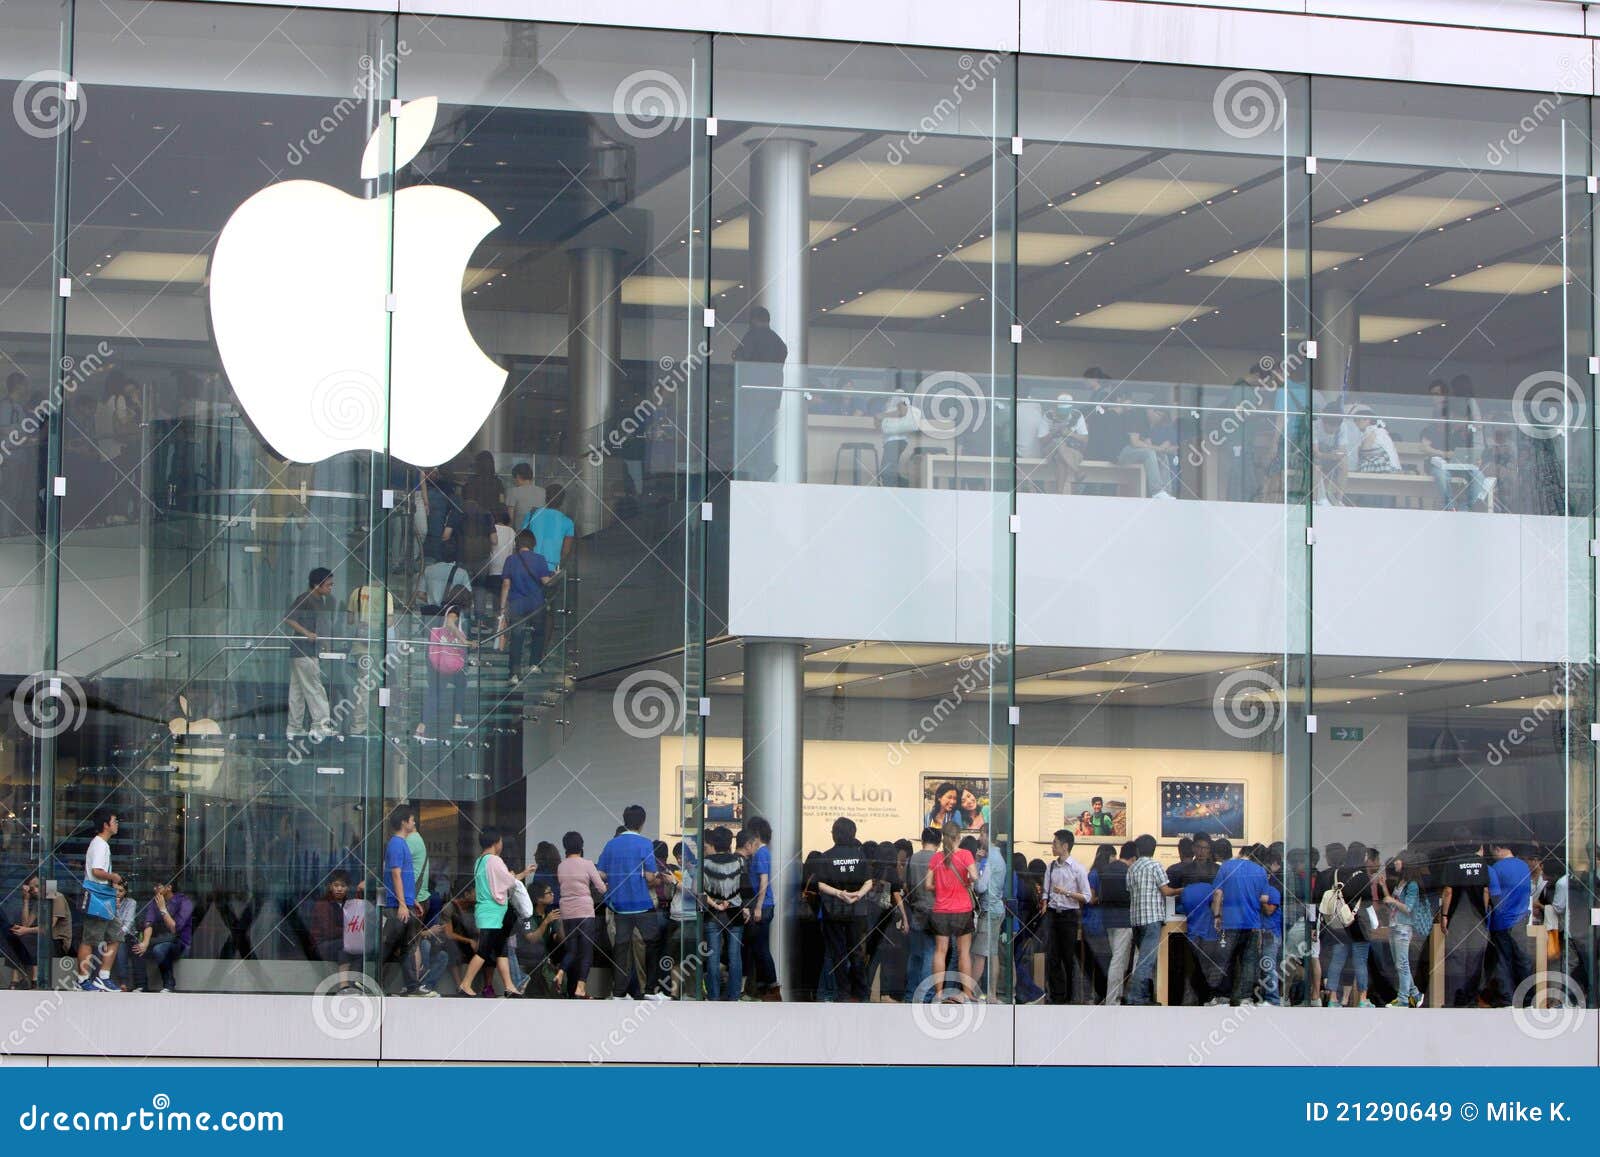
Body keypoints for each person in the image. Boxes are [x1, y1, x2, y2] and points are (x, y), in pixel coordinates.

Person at [596, 805, 665, 1001]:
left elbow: (600, 873)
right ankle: (651, 990)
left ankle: (619, 992)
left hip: (619, 905)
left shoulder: (611, 844)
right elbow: (651, 877)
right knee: (652, 943)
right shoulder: (645, 844)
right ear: (642, 822)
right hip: (642, 903)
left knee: (621, 947)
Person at [458, 828, 533, 997]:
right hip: (493, 913)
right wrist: (519, 874)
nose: (501, 844)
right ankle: (465, 984)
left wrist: (518, 874)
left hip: (486, 911)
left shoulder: (480, 861)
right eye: (500, 841)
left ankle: (509, 986)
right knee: (484, 950)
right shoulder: (495, 860)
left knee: (501, 950)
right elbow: (509, 881)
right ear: (496, 842)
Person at [815, 817, 874, 1002]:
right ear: (853, 833)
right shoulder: (860, 856)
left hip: (833, 911)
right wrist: (858, 895)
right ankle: (862, 993)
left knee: (837, 954)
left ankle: (843, 993)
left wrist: (839, 893)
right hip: (856, 911)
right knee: (856, 951)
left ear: (834, 834)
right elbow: (869, 882)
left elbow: (820, 884)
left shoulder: (826, 856)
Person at [379, 806, 437, 997]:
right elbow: (396, 874)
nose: (414, 822)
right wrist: (403, 903)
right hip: (398, 906)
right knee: (391, 946)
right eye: (412, 819)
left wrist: (411, 901)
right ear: (404, 822)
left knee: (407, 946)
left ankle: (412, 986)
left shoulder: (402, 843)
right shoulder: (396, 844)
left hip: (406, 904)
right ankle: (373, 983)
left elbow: (403, 876)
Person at [1210, 837, 1270, 1005]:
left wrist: (1217, 915)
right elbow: (1264, 898)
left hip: (1229, 923)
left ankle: (1224, 996)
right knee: (1248, 961)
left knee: (1226, 959)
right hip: (1252, 923)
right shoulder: (1260, 871)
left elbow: (1217, 894)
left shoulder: (1227, 867)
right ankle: (1244, 996)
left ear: (1241, 853)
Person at [733, 305, 789, 480]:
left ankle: (748, 468)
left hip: (753, 393)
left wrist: (736, 356)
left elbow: (744, 359)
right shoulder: (779, 342)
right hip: (772, 396)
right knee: (765, 434)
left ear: (753, 320)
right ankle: (765, 466)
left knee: (746, 433)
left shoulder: (752, 336)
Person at [924, 821, 977, 1002]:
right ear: (959, 837)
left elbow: (927, 885)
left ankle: (939, 993)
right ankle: (967, 993)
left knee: (940, 951)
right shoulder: (966, 855)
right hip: (962, 910)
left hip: (941, 910)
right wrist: (967, 881)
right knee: (964, 952)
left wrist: (940, 887)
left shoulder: (936, 858)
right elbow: (975, 876)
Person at [283, 567, 336, 739]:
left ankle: (294, 726)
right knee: (315, 688)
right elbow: (289, 618)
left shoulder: (319, 600)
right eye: (328, 585)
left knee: (297, 691)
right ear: (316, 585)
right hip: (304, 650)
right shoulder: (305, 598)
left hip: (305, 651)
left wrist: (324, 643)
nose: (330, 588)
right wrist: (307, 634)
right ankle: (320, 724)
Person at [1439, 833, 1491, 1008]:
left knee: (1456, 957)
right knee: (1475, 958)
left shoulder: (1452, 862)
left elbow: (1448, 891)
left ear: (1454, 842)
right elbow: (1485, 891)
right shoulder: (1481, 863)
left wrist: (1444, 915)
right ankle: (1471, 998)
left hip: (1458, 917)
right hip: (1477, 916)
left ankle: (1455, 998)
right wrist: (1483, 913)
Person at [1041, 828, 1091, 1004]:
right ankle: (1057, 995)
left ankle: (1070, 995)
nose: (1052, 846)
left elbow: (1086, 896)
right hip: (1053, 915)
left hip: (1069, 916)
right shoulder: (1051, 866)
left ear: (1065, 846)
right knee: (1053, 956)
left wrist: (1067, 893)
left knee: (1068, 957)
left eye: (1055, 843)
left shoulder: (1078, 868)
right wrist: (1045, 903)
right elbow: (1045, 893)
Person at [500, 529, 556, 684]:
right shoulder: (539, 559)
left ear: (518, 543)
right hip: (536, 603)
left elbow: (506, 585)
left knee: (517, 638)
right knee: (538, 633)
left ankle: (514, 674)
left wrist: (502, 607)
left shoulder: (510, 560)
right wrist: (555, 577)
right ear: (533, 543)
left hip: (516, 603)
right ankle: (534, 664)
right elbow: (546, 582)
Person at [1321, 844, 1374, 1007]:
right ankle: (1363, 999)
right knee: (1360, 962)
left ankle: (1332, 999)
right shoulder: (1362, 876)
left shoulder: (1336, 873)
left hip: (1338, 924)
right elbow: (1368, 901)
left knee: (1337, 960)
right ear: (1362, 856)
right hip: (1357, 925)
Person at [76, 809, 122, 991]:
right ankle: (82, 979)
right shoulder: (100, 845)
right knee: (89, 939)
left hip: (105, 896)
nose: (117, 824)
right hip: (98, 897)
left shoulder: (102, 844)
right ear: (105, 825)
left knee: (115, 936)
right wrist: (114, 877)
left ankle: (103, 976)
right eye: (114, 820)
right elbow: (96, 871)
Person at [699, 826, 746, 1001]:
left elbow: (700, 893)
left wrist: (716, 904)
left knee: (713, 956)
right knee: (735, 957)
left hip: (713, 913)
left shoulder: (704, 863)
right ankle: (734, 997)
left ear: (713, 843)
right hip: (734, 913)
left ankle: (713, 996)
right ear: (729, 842)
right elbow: (744, 888)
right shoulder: (739, 862)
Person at [1126, 834, 1172, 1005]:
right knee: (1146, 960)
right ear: (1154, 849)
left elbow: (1129, 891)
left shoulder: (1132, 868)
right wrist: (1183, 890)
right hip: (1152, 919)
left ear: (1137, 849)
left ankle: (1144, 996)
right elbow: (1166, 891)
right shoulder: (1155, 865)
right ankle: (1135, 997)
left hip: (1136, 920)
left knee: (1143, 959)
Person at [1486, 839, 1533, 1007]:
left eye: (1491, 850)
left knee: (1502, 960)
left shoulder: (1495, 869)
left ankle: (1507, 999)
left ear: (1497, 848)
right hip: (1521, 919)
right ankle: (1528, 999)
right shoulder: (1524, 866)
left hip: (1500, 921)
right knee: (1522, 959)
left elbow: (1493, 896)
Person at [2, 874, 70, 987]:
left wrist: (25, 930)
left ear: (45, 884)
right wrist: (26, 900)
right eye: (32, 888)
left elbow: (48, 928)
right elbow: (26, 924)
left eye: (38, 886)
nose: (35, 890)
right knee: (15, 935)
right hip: (43, 936)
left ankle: (33, 979)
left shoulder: (57, 897)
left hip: (58, 940)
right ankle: (17, 979)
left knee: (30, 938)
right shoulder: (40, 902)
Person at [416, 605, 470, 738]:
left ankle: (421, 727)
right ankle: (457, 718)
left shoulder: (439, 617)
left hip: (437, 664)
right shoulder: (455, 610)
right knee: (458, 684)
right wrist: (464, 641)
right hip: (447, 665)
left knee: (436, 693)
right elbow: (451, 624)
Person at [131, 881, 194, 993]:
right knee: (138, 946)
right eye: (154, 886)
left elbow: (175, 929)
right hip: (159, 939)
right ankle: (141, 985)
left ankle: (169, 985)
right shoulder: (155, 901)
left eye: (158, 886)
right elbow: (148, 923)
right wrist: (145, 943)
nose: (155, 889)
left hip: (179, 943)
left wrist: (163, 909)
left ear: (169, 887)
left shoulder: (184, 902)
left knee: (160, 949)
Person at [1380, 855, 1426, 1007]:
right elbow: (1391, 904)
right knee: (1400, 964)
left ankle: (1403, 999)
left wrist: (1393, 901)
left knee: (1402, 964)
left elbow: (1408, 908)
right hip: (1395, 925)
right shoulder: (1401, 882)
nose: (1395, 863)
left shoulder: (1412, 885)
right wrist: (1384, 887)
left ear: (1406, 863)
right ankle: (1415, 994)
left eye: (1398, 860)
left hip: (1403, 927)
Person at [901, 827, 940, 1003]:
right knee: (931, 954)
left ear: (922, 840)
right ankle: (926, 996)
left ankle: (910, 994)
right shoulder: (940, 859)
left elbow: (907, 886)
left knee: (915, 954)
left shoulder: (912, 860)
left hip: (917, 911)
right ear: (939, 843)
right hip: (936, 912)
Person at [1095, 840, 1135, 1005]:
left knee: (1118, 958)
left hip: (1107, 919)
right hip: (1124, 920)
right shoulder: (1129, 872)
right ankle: (1112, 1000)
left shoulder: (1105, 869)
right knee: (1119, 960)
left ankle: (1116, 995)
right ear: (1133, 857)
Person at [745, 816, 779, 1000]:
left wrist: (758, 907)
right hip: (764, 905)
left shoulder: (761, 853)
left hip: (763, 906)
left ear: (756, 834)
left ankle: (771, 985)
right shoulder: (761, 853)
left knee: (761, 948)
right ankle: (763, 986)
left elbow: (764, 881)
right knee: (758, 947)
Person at [972, 832, 1008, 1001]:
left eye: (981, 835)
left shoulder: (990, 858)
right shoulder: (999, 856)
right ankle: (992, 994)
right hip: (996, 909)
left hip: (989, 910)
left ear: (988, 834)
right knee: (992, 953)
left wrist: (977, 864)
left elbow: (980, 886)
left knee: (979, 953)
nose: (979, 839)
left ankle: (968, 991)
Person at [1040, 392, 1088, 494]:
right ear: (1056, 407)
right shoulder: (1048, 416)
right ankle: (1077, 471)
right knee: (1059, 442)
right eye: (1061, 411)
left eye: (1065, 411)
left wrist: (1070, 434)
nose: (1063, 414)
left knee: (1060, 458)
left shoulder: (1077, 415)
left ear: (1071, 409)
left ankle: (1059, 493)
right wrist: (1054, 432)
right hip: (1051, 450)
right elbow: (1041, 441)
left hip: (1072, 451)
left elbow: (1085, 439)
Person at [523, 485, 576, 572]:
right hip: (550, 568)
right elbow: (566, 551)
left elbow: (522, 538)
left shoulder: (532, 514)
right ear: (562, 501)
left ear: (546, 497)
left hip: (528, 565)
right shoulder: (568, 522)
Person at [876, 389, 919, 487]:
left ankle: (896, 492)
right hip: (899, 441)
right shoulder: (899, 398)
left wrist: (883, 415)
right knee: (889, 469)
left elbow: (902, 411)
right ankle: (903, 486)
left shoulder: (899, 394)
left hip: (895, 440)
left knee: (886, 471)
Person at [506, 462, 545, 531]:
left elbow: (510, 519)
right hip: (539, 533)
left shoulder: (513, 492)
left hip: (522, 535)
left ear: (518, 476)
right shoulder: (543, 491)